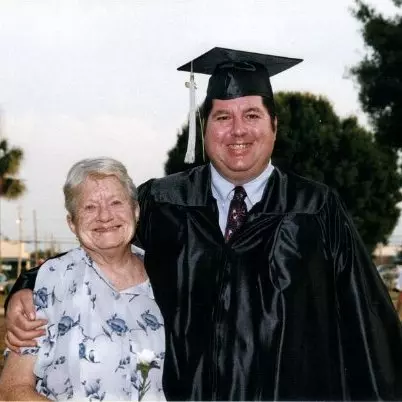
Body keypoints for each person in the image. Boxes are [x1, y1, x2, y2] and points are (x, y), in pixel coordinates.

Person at [4, 47, 402, 401]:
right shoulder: (164, 202)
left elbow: (366, 328)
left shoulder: (316, 210)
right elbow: (100, 248)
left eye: (252, 115)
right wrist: (24, 290)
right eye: (222, 116)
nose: (238, 130)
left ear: (274, 126)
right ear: (205, 128)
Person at [0, 158, 165, 401]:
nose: (105, 216)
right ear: (72, 223)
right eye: (89, 207)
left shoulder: (169, 276)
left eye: (116, 202)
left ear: (136, 211)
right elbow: (12, 389)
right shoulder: (51, 280)